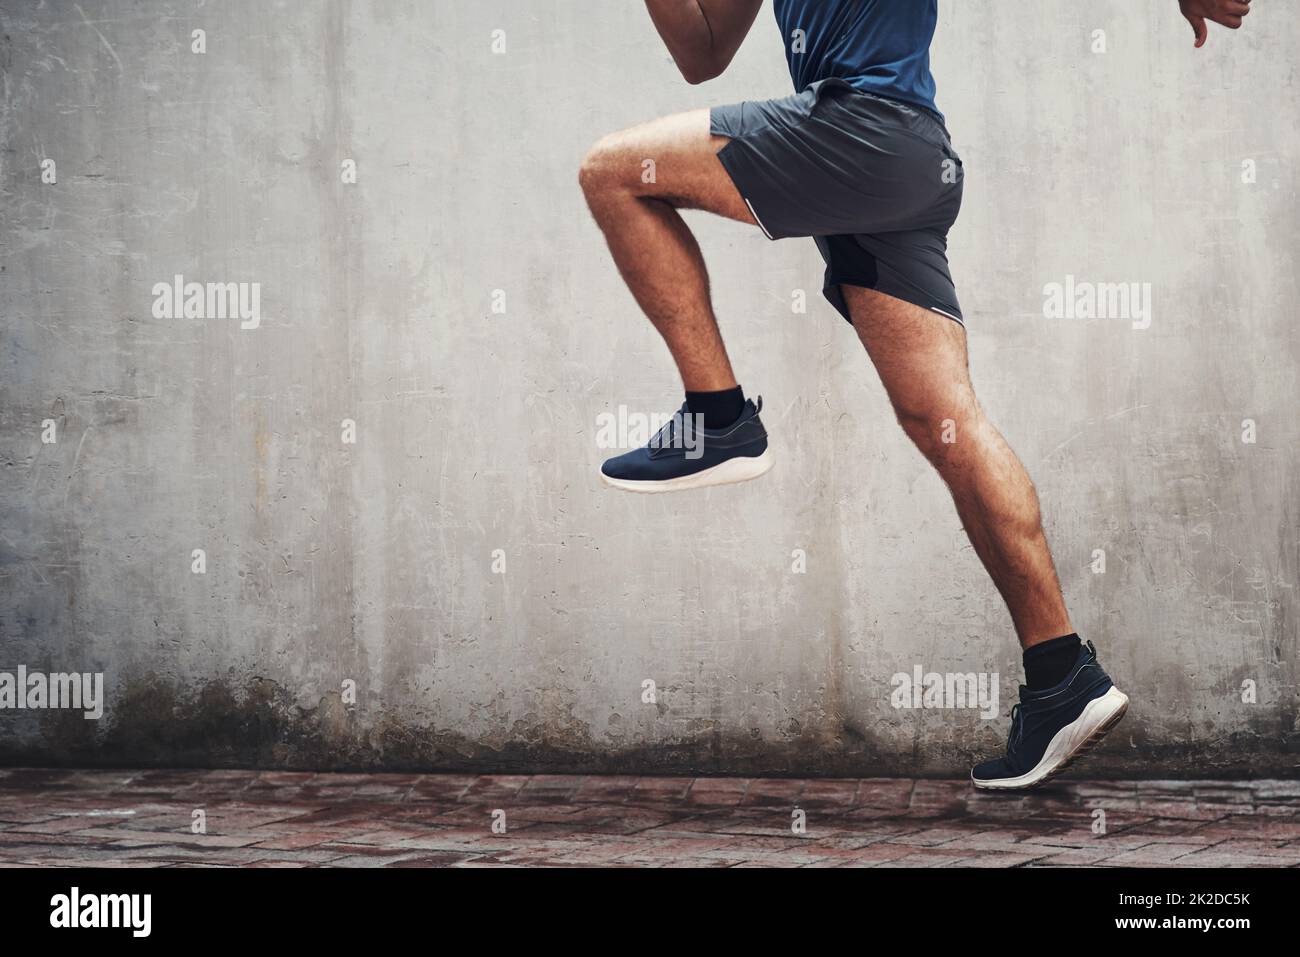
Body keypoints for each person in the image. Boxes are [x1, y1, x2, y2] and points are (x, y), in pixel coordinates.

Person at [578, 0, 1251, 789]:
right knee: (947, 423)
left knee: (613, 172)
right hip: (891, 165)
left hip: (863, 132)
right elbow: (702, 49)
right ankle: (1061, 672)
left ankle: (718, 416)